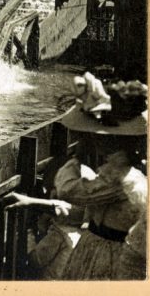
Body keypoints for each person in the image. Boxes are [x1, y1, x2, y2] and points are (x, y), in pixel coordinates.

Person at [53, 73, 147, 280]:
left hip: (109, 254)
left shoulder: (121, 178)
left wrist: (76, 158)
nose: (95, 140)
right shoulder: (126, 170)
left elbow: (69, 191)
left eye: (98, 136)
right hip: (102, 247)